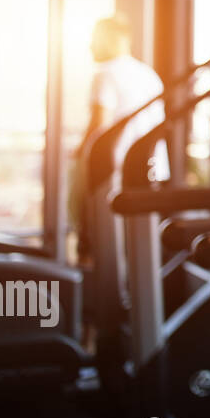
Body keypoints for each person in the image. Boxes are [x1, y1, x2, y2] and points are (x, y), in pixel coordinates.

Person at [74, 15, 169, 264]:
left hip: (114, 173)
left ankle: (96, 294)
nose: (90, 46)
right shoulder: (148, 74)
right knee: (139, 247)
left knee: (106, 248)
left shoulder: (104, 74)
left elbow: (99, 128)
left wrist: (79, 156)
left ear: (109, 40)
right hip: (151, 171)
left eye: (95, 40)